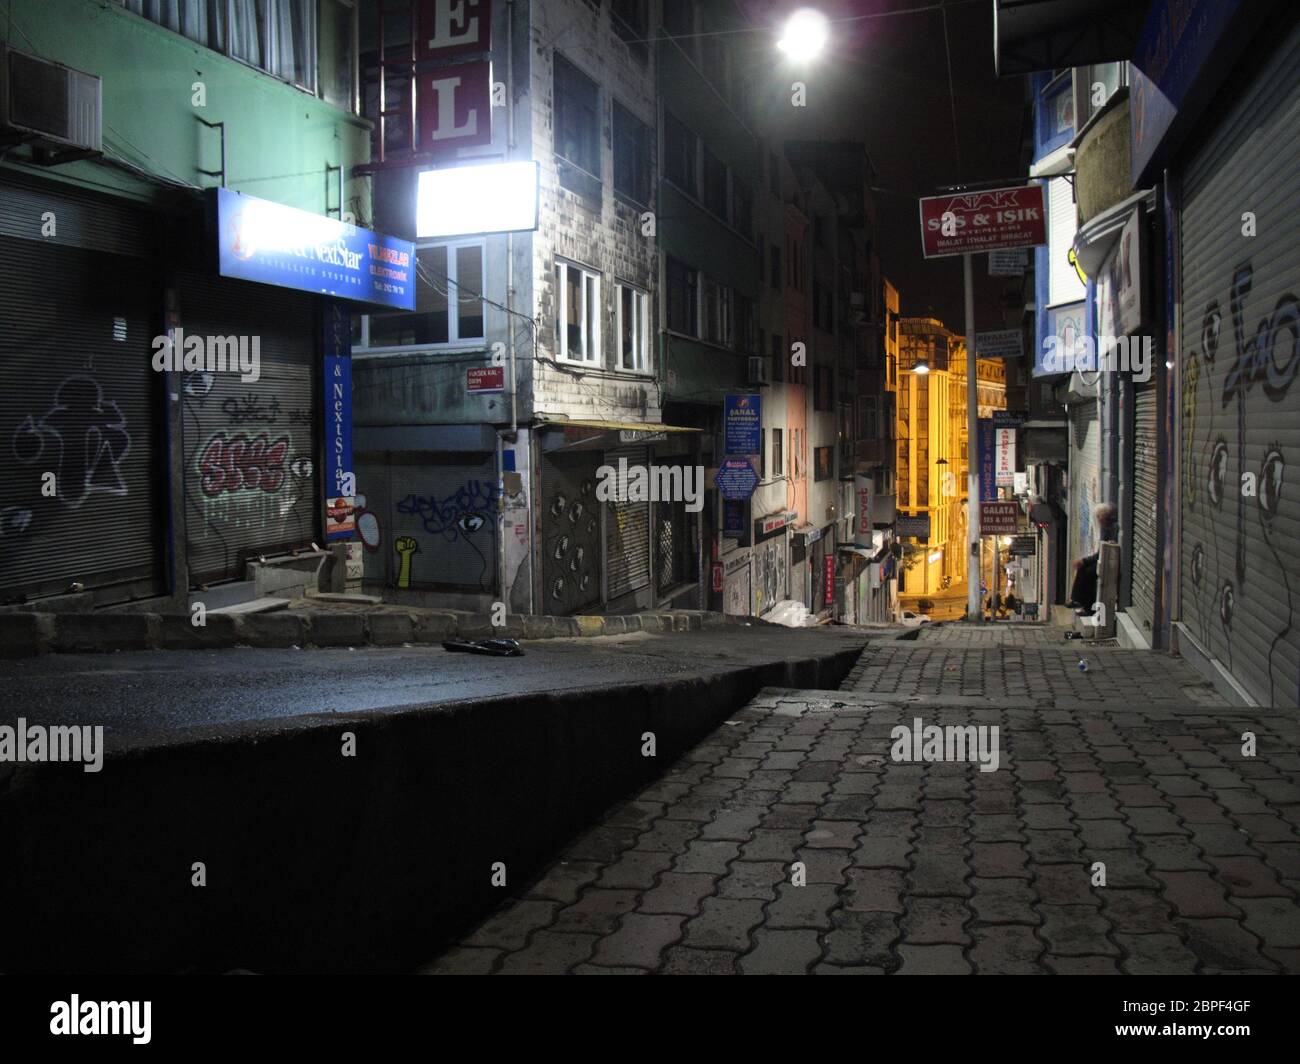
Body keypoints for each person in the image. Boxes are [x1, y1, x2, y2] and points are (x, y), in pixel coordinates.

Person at [1068, 503, 1117, 610]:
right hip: (1102, 558)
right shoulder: (1105, 529)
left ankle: (1087, 606)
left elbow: (1103, 552)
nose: (1098, 519)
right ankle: (1078, 601)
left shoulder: (1113, 529)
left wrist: (1084, 561)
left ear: (1104, 516)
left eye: (1099, 516)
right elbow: (1100, 552)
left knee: (1088, 573)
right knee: (1082, 569)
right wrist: (1084, 561)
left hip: (1109, 561)